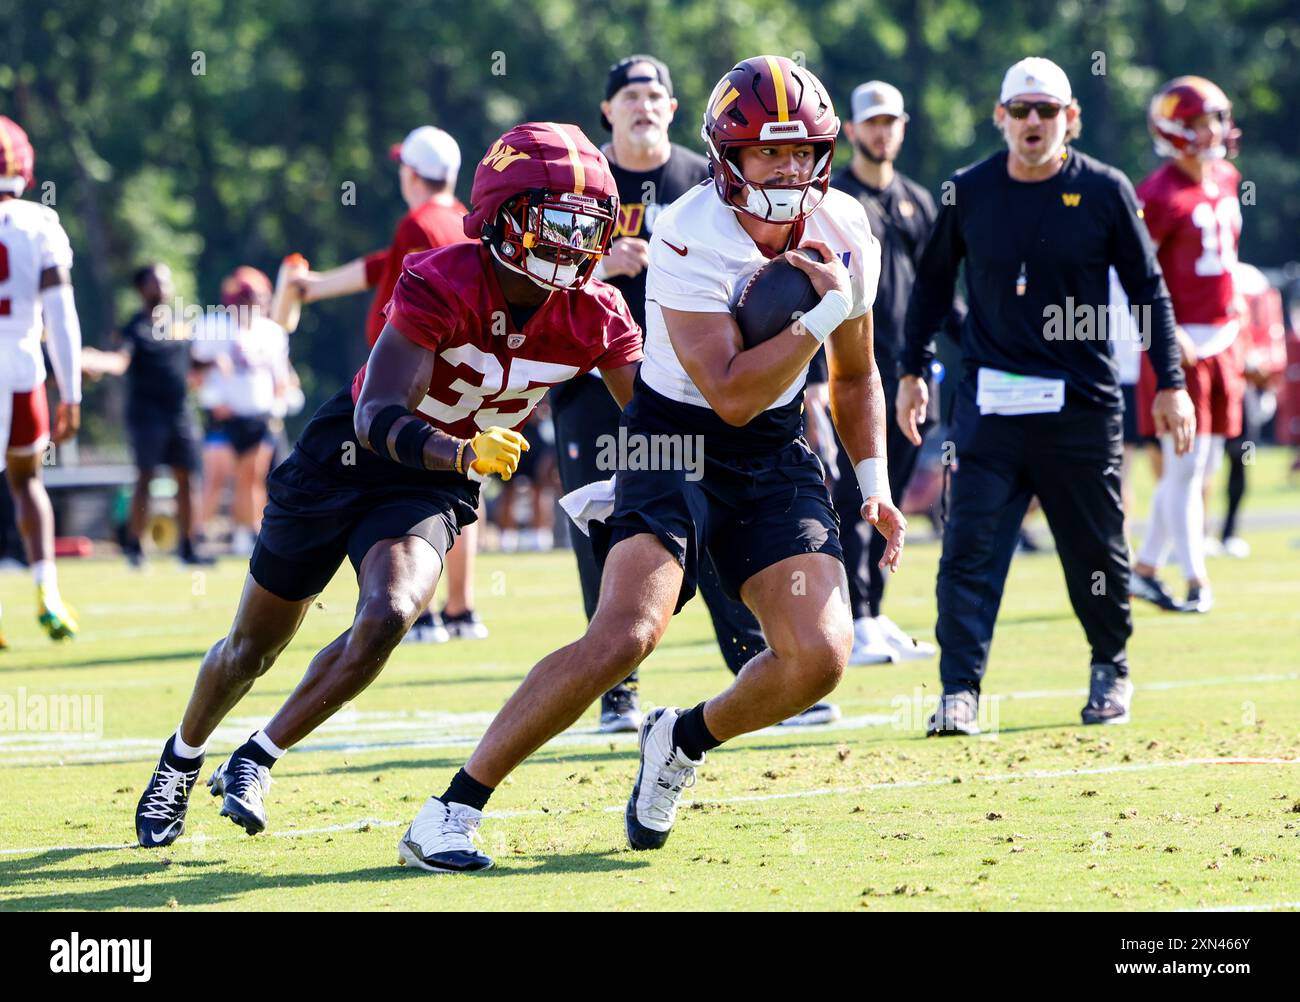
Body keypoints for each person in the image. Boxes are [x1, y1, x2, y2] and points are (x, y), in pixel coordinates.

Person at [397, 56, 902, 874]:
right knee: (624, 636)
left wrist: (874, 485)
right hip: (673, 438)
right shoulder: (687, 232)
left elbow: (855, 374)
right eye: (767, 152)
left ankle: (680, 738)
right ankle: (452, 807)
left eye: (801, 151)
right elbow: (729, 392)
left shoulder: (846, 227)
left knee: (820, 658)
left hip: (772, 451)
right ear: (725, 155)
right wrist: (825, 312)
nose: (786, 169)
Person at [134, 122, 641, 847]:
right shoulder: (445, 275)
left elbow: (654, 420)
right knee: (251, 649)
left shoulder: (597, 311)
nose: (574, 244)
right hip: (347, 459)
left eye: (588, 228)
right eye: (557, 222)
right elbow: (375, 416)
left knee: (390, 613)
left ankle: (257, 756)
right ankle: (181, 759)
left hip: (427, 489)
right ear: (503, 215)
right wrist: (464, 455)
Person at [898, 57, 1195, 736]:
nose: (1035, 122)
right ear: (1000, 117)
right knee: (967, 550)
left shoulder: (1105, 189)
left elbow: (1149, 291)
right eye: (1022, 110)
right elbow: (933, 287)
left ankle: (1109, 667)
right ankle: (959, 690)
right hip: (990, 412)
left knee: (1094, 551)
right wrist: (913, 370)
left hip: (1079, 409)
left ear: (1071, 119)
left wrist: (1170, 382)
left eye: (1048, 110)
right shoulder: (966, 191)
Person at [551, 55, 826, 730]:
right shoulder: (587, 178)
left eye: (655, 94)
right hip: (599, 375)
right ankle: (619, 688)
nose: (643, 104)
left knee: (718, 518)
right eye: (629, 95)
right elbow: (539, 266)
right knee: (613, 535)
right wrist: (598, 263)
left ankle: (753, 662)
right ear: (607, 110)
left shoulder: (700, 178)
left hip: (704, 381)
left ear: (674, 110)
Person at [295, 126, 485, 643]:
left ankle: (416, 611)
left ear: (409, 173)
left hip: (421, 375)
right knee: (465, 479)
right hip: (471, 377)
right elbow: (382, 263)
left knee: (406, 487)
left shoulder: (417, 221)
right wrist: (316, 287)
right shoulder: (466, 219)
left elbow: (394, 299)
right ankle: (462, 611)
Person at [825, 79, 959, 665]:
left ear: (902, 127)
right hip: (849, 372)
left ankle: (872, 613)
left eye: (891, 121)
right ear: (852, 130)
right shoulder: (834, 197)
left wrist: (980, 342)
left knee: (892, 494)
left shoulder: (917, 199)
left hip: (907, 376)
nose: (882, 131)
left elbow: (936, 291)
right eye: (871, 122)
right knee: (851, 495)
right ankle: (851, 616)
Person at [1131, 77, 1244, 615]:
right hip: (1180, 341)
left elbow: (1225, 266)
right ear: (1174, 129)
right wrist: (1163, 334)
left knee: (1206, 464)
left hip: (1222, 337)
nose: (1214, 132)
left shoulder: (1227, 178)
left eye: (1217, 120)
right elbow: (1132, 274)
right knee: (1184, 467)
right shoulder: (1158, 193)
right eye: (1200, 122)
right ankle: (1197, 578)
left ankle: (1146, 568)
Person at [0, 116, 82, 646]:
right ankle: (47, 590)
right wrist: (71, 391)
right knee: (27, 482)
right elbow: (61, 313)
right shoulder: (39, 222)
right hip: (21, 366)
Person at [82, 263, 213, 566]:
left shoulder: (181, 325)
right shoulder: (134, 328)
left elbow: (193, 364)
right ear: (142, 288)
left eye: (166, 281)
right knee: (146, 477)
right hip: (146, 414)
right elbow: (120, 361)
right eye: (156, 281)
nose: (163, 287)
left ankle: (189, 547)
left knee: (187, 477)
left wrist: (218, 363)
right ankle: (135, 548)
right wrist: (96, 362)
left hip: (180, 412)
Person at [192, 267, 293, 557]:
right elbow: (195, 374)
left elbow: (280, 378)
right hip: (223, 418)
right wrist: (212, 396)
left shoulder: (271, 333)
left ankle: (249, 535)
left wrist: (275, 406)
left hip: (257, 417)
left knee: (252, 480)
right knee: (216, 477)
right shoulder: (214, 327)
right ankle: (195, 536)